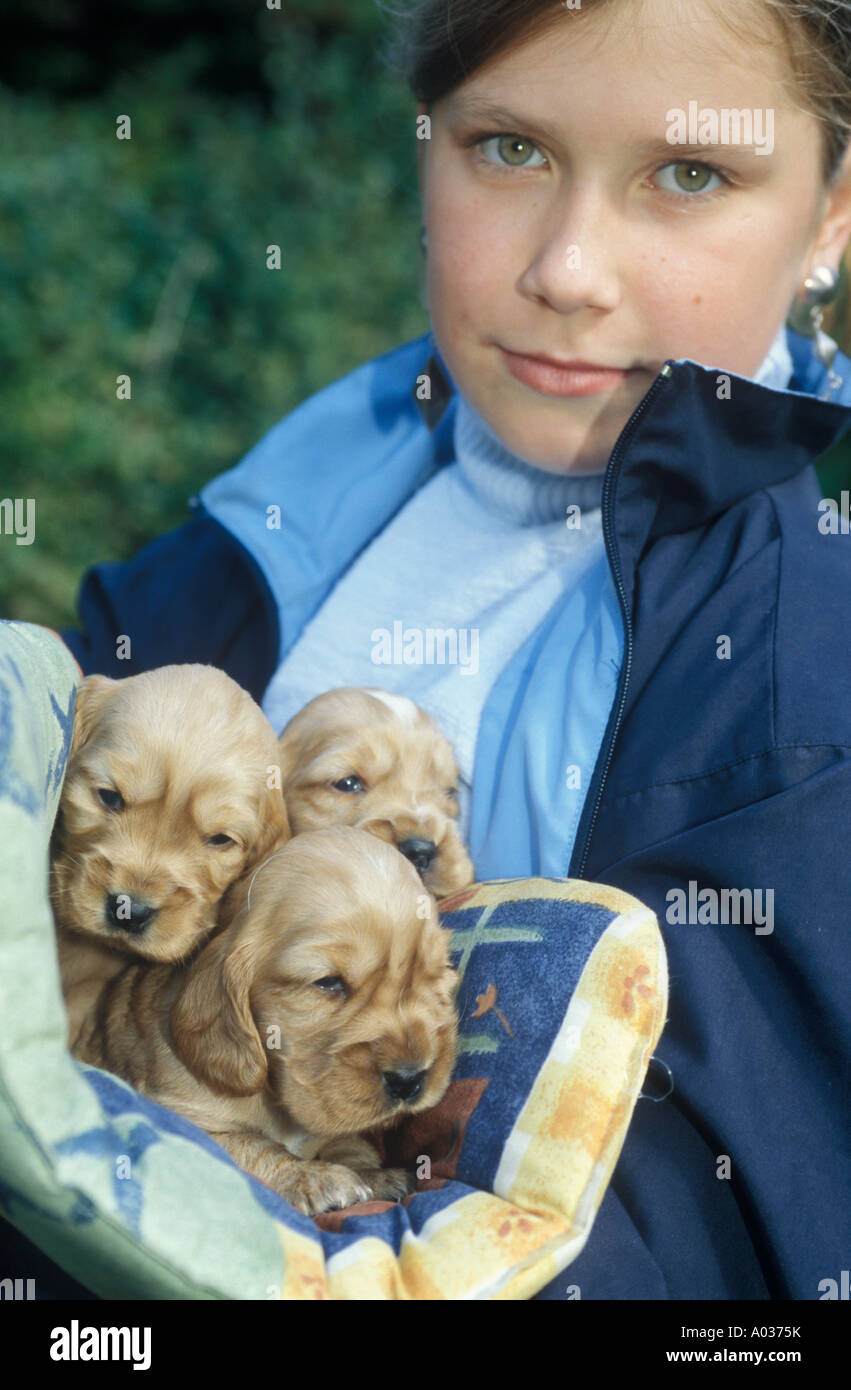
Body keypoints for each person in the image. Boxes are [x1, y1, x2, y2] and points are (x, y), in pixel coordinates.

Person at [53, 0, 851, 1298]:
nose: (570, 269)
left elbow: (719, 1240)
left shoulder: (802, 682)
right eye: (509, 149)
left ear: (830, 214)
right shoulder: (318, 473)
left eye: (692, 173)